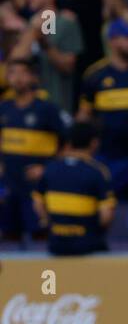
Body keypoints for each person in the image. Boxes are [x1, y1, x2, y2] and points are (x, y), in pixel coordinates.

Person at [79, 19, 128, 201]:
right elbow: (84, 116)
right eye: (127, 37)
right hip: (108, 155)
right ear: (112, 41)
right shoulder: (95, 75)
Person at [0, 57, 66, 244]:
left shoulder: (46, 109)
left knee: (40, 236)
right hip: (9, 184)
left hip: (36, 185)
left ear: (33, 77)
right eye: (12, 73)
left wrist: (47, 168)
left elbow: (66, 144)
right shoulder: (3, 108)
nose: (17, 78)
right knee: (8, 237)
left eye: (23, 73)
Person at [31, 121, 113, 255]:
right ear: (94, 143)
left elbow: (37, 204)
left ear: (69, 142)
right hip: (87, 246)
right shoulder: (98, 172)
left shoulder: (50, 169)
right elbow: (106, 216)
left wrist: (50, 224)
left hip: (56, 245)